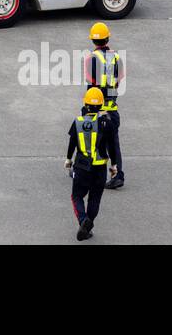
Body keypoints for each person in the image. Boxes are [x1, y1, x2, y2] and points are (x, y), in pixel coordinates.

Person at [65, 87, 118, 240]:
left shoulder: (77, 122)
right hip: (100, 168)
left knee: (76, 196)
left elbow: (72, 142)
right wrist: (114, 166)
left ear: (85, 103)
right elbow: (112, 146)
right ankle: (88, 225)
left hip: (82, 166)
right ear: (101, 104)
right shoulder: (106, 123)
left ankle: (83, 220)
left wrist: (68, 159)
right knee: (94, 199)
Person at [84, 21, 125, 189]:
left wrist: (88, 108)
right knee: (113, 144)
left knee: (89, 142)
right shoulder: (116, 57)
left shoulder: (91, 58)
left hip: (96, 109)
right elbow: (118, 80)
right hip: (112, 109)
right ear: (107, 38)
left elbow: (90, 85)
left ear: (93, 40)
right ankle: (118, 174)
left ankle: (87, 173)